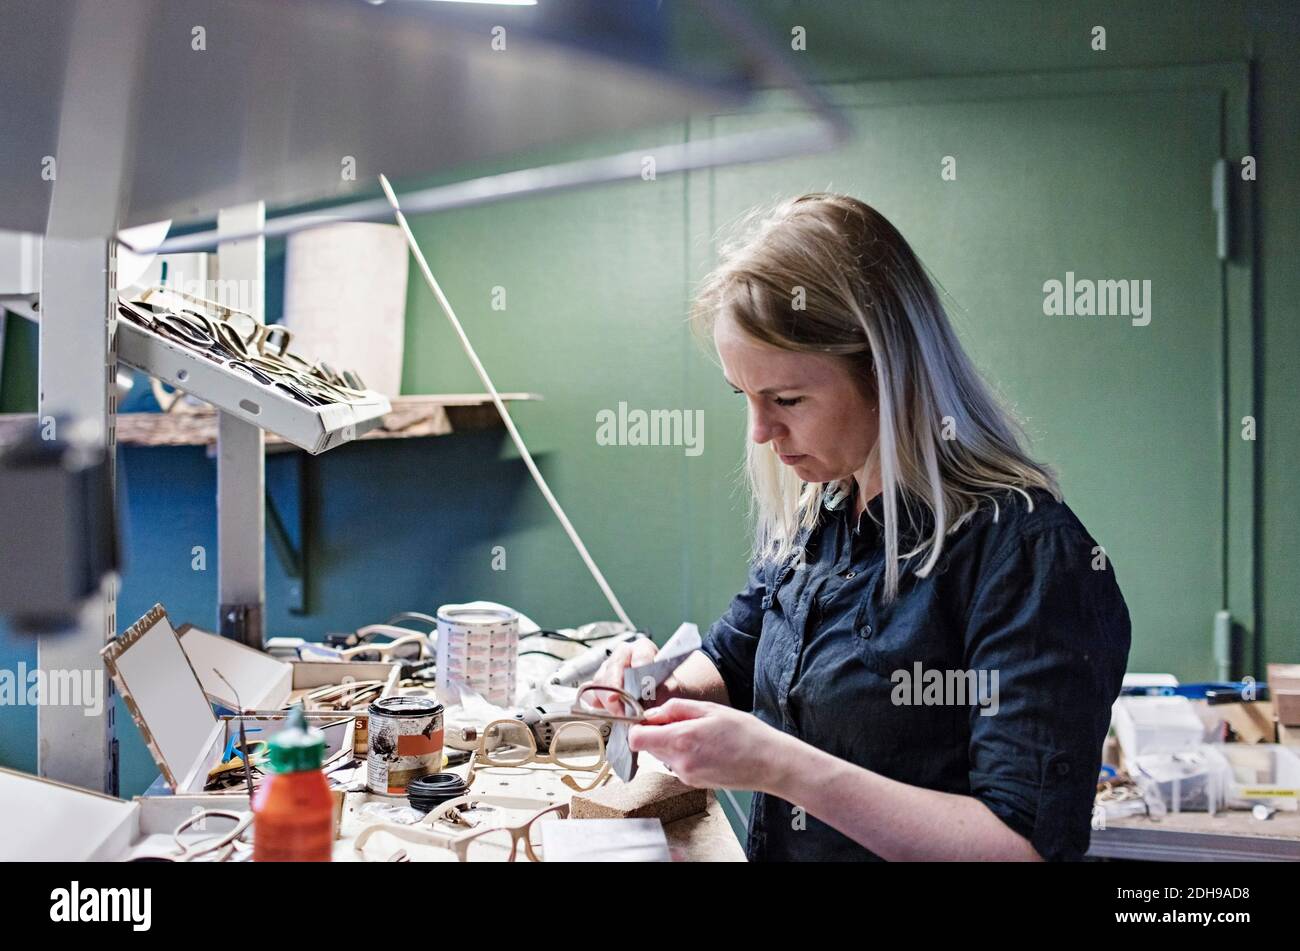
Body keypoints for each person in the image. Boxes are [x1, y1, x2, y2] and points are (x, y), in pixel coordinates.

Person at [592, 193, 1131, 861]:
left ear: (886, 373)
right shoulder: (825, 511)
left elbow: (1021, 846)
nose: (760, 432)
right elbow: (732, 657)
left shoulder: (1027, 556)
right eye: (745, 398)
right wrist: (659, 683)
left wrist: (779, 765)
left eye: (786, 399)